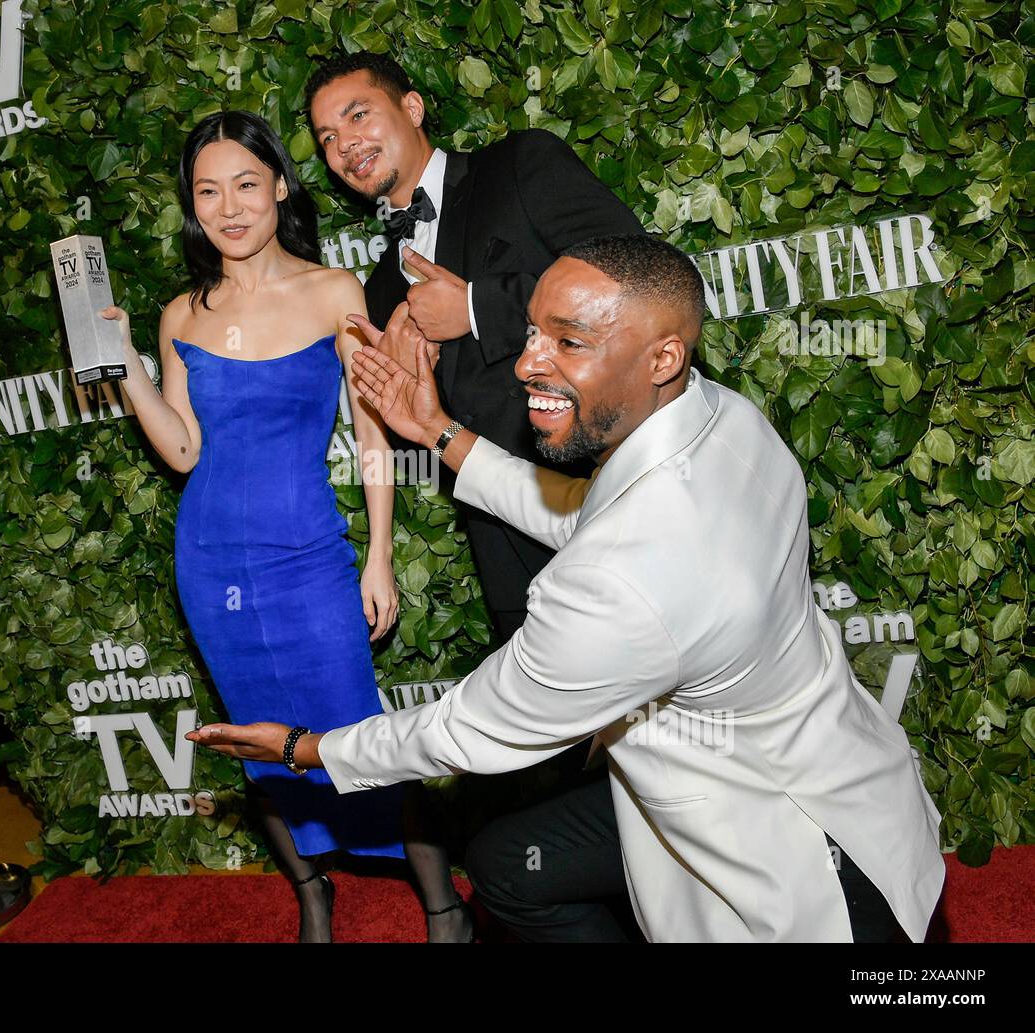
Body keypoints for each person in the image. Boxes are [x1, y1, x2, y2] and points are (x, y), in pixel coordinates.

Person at [187, 233, 947, 942]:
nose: (527, 362)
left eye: (569, 342)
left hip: (811, 880)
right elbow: (594, 514)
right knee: (513, 862)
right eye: (532, 333)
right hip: (836, 776)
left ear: (662, 356)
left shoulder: (622, 581)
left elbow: (466, 728)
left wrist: (306, 745)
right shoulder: (723, 417)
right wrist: (437, 430)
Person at [102, 110, 470, 942]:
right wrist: (126, 365)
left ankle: (444, 909)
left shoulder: (334, 292)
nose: (229, 208)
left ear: (278, 187)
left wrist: (378, 557)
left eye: (245, 184)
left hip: (307, 557)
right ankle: (312, 896)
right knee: (256, 738)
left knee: (359, 733)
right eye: (207, 191)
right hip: (208, 560)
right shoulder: (180, 315)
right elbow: (186, 449)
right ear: (191, 207)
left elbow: (372, 432)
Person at [307, 52, 644, 643]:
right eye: (328, 137)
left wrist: (473, 308)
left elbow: (635, 280)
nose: (346, 144)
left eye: (359, 115)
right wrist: (411, 390)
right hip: (509, 555)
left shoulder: (517, 165)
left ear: (411, 108)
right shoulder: (380, 290)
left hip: (617, 504)